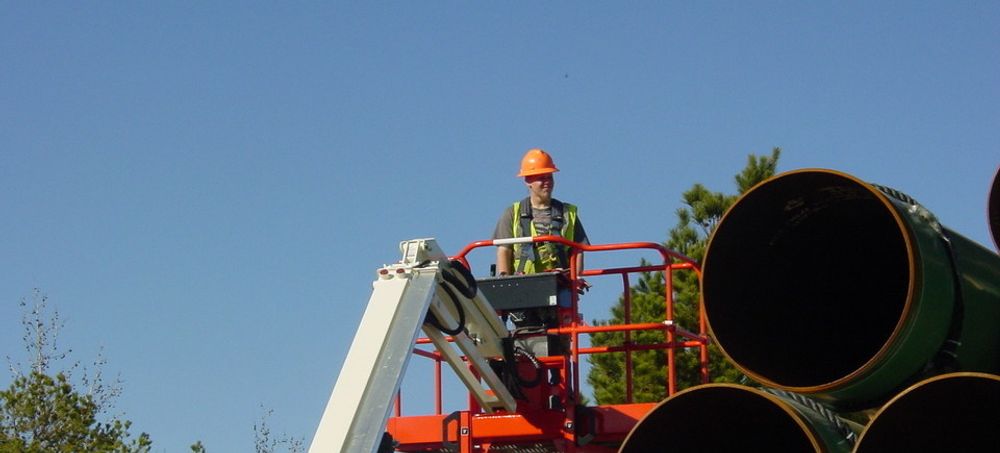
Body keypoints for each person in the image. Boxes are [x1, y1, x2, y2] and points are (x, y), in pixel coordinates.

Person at [493, 148, 589, 276]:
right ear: (528, 181)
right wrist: (505, 282)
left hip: (560, 284)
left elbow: (578, 250)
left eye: (549, 177)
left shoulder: (568, 213)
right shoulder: (512, 213)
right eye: (541, 178)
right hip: (523, 284)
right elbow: (504, 250)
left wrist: (575, 280)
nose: (547, 182)